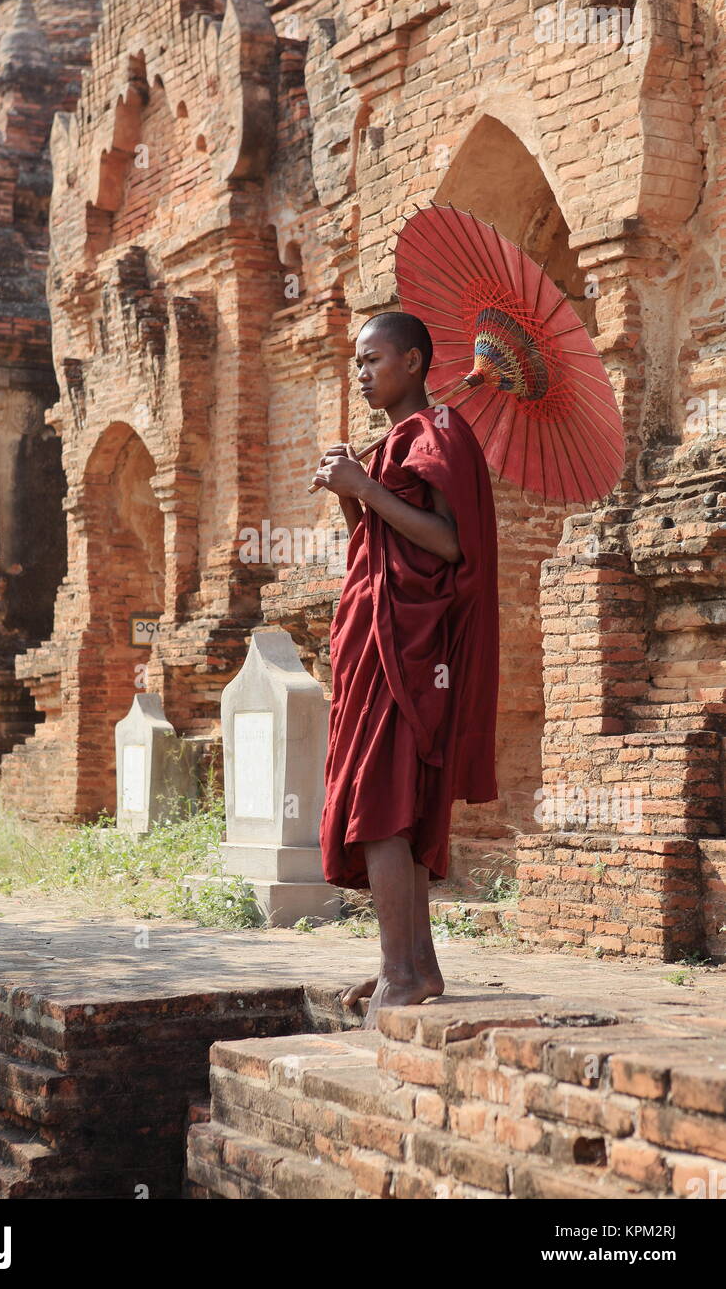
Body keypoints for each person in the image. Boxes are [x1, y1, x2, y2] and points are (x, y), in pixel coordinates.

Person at [311, 310, 499, 1028]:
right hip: (372, 639)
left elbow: (453, 547)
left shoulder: (441, 432)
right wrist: (351, 498)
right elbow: (382, 546)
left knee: (384, 805)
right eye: (357, 362)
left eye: (374, 359)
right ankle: (416, 966)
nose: (362, 372)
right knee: (387, 798)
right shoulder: (392, 443)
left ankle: (401, 973)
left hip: (413, 653)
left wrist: (368, 488)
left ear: (415, 362)